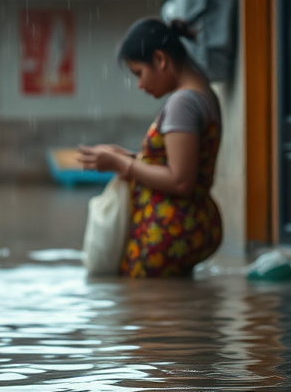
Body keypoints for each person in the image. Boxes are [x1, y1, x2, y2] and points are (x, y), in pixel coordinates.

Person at [78, 18, 223, 278]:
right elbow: (178, 163)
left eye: (139, 73)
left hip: (169, 228)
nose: (140, 85)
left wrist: (123, 164)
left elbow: (180, 180)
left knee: (146, 301)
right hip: (191, 224)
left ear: (160, 59)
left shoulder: (183, 103)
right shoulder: (203, 94)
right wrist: (126, 156)